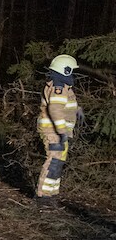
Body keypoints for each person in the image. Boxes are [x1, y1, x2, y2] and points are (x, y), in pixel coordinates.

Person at [35, 54, 80, 208]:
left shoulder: (62, 86)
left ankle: (52, 194)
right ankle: (43, 196)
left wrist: (77, 110)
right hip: (53, 131)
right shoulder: (58, 87)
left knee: (58, 161)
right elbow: (55, 109)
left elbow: (63, 105)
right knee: (54, 161)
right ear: (66, 70)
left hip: (59, 132)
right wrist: (62, 131)